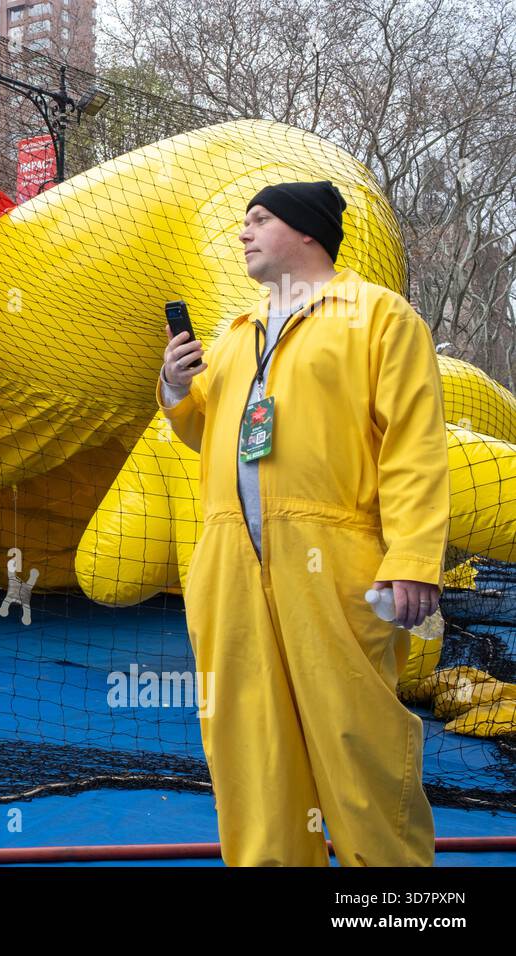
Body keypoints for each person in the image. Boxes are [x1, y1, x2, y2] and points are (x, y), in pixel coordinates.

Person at [157, 180, 448, 867]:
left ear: (308, 232)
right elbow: (206, 431)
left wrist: (412, 556)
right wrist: (175, 387)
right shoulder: (235, 334)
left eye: (260, 219)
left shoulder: (380, 317)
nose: (243, 233)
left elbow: (412, 443)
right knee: (250, 754)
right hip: (231, 572)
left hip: (335, 562)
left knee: (358, 743)